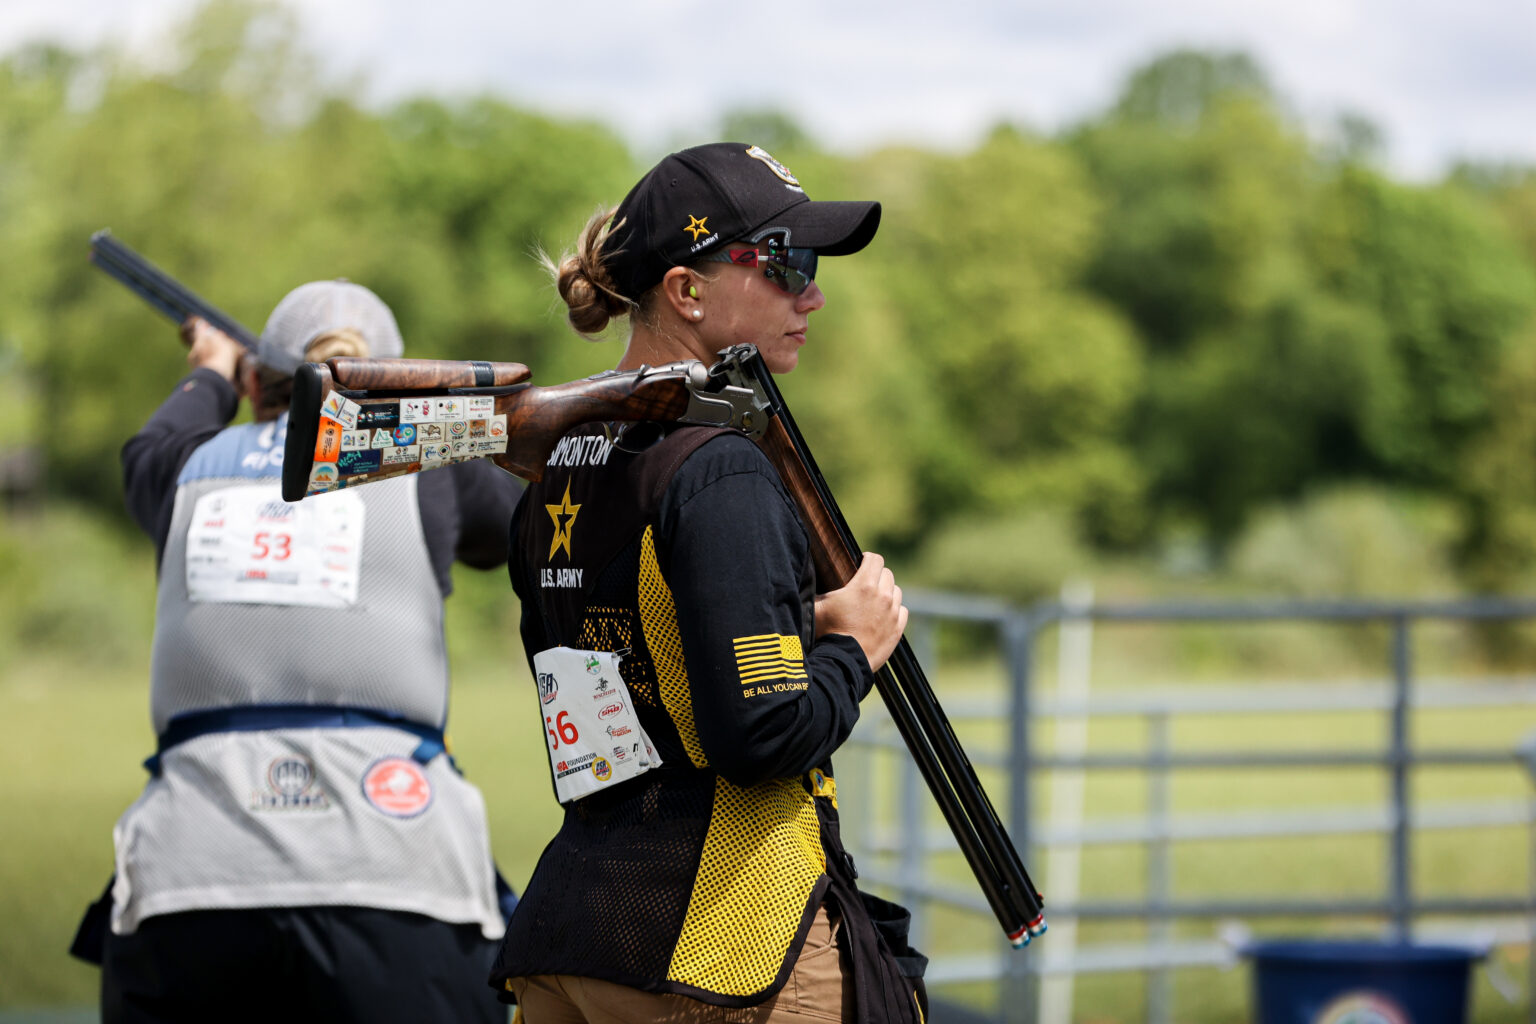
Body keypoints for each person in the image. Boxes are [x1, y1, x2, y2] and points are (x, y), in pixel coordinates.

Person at [491, 143, 927, 1023]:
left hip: (574, 938)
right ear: (688, 292)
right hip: (727, 949)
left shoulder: (558, 471)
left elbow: (641, 665)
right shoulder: (720, 468)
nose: (814, 293)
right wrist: (853, 647)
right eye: (785, 262)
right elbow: (765, 733)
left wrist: (787, 620)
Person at [73, 280, 522, 1023]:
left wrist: (211, 365)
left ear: (255, 384)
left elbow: (148, 444)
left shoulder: (180, 466)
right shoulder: (430, 460)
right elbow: (504, 529)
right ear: (393, 387)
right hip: (399, 877)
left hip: (190, 883)